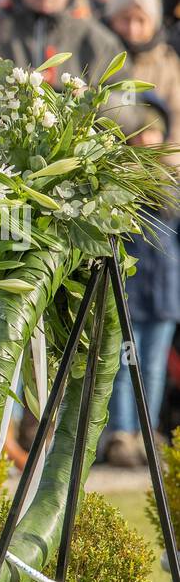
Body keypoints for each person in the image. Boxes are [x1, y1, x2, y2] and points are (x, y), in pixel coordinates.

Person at [102, 95, 179, 465]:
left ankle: (146, 431)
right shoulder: (118, 183)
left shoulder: (173, 183)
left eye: (155, 134)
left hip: (162, 292)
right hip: (127, 291)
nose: (147, 141)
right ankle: (121, 431)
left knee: (150, 366)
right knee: (123, 363)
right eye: (141, 133)